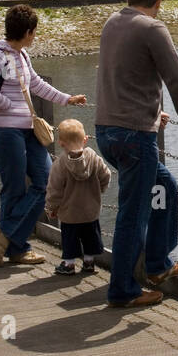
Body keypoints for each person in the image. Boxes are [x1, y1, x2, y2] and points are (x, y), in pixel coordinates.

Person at [95, 0, 178, 309]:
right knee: (133, 213)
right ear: (158, 2)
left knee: (163, 186)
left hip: (106, 132)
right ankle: (122, 289)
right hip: (134, 138)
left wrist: (155, 114)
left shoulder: (112, 23)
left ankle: (157, 264)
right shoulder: (153, 27)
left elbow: (127, 77)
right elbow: (176, 78)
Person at [0, 5, 87, 267]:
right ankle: (17, 248)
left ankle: (7, 233)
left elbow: (35, 84)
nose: (34, 36)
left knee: (47, 182)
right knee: (13, 189)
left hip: (27, 131)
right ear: (27, 32)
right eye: (34, 32)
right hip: (5, 132)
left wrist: (66, 99)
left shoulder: (21, 55)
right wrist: (4, 104)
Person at [45, 118, 112, 276]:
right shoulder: (93, 157)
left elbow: (54, 189)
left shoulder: (59, 164)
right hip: (91, 210)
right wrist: (100, 189)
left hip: (69, 213)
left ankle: (69, 265)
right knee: (91, 236)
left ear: (61, 143)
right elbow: (106, 175)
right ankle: (89, 262)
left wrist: (51, 207)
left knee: (70, 238)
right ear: (85, 139)